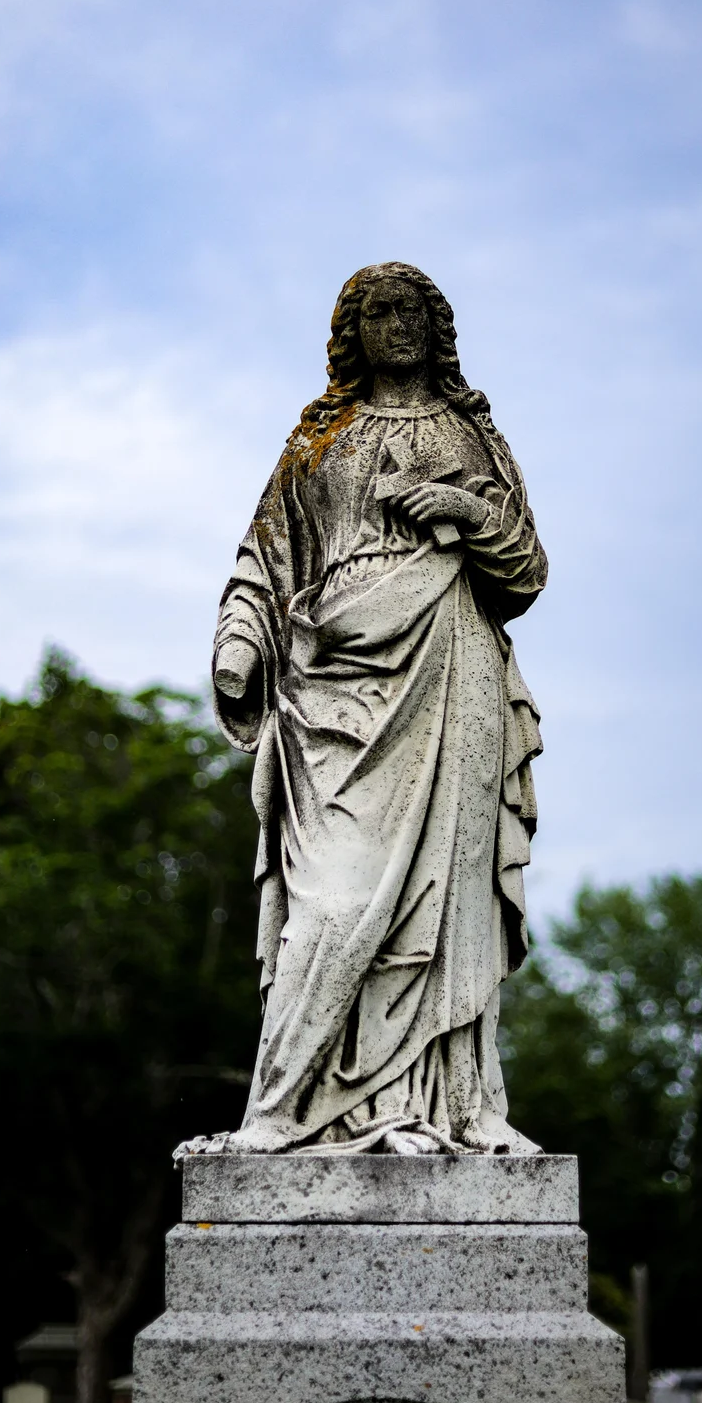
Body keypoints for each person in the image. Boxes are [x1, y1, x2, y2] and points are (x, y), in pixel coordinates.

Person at [207, 262, 547, 1155]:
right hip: (336, 690)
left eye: (412, 310)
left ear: (437, 327)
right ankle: (280, 1110)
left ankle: (455, 1105)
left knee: (447, 900)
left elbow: (527, 573)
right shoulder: (321, 442)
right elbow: (261, 557)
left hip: (451, 671)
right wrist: (239, 646)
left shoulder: (472, 437)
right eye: (378, 311)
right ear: (351, 331)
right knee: (337, 898)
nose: (396, 324)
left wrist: (459, 508)